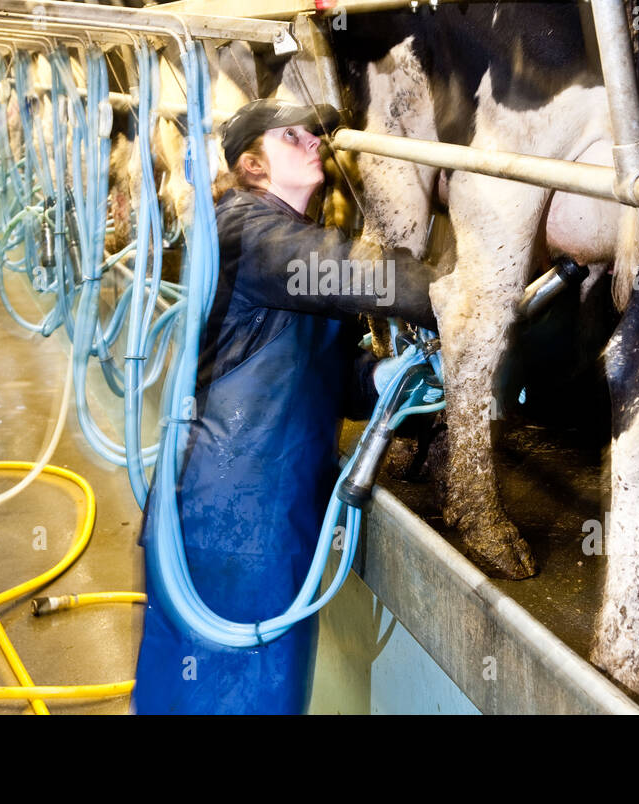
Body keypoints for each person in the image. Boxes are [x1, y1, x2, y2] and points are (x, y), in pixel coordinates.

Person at [132, 99, 438, 714]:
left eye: (311, 133)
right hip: (228, 515)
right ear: (251, 166)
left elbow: (316, 372)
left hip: (271, 514)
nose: (311, 142)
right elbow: (363, 277)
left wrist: (380, 378)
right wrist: (470, 290)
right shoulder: (248, 229)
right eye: (290, 136)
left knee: (258, 687)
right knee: (226, 690)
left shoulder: (288, 241)